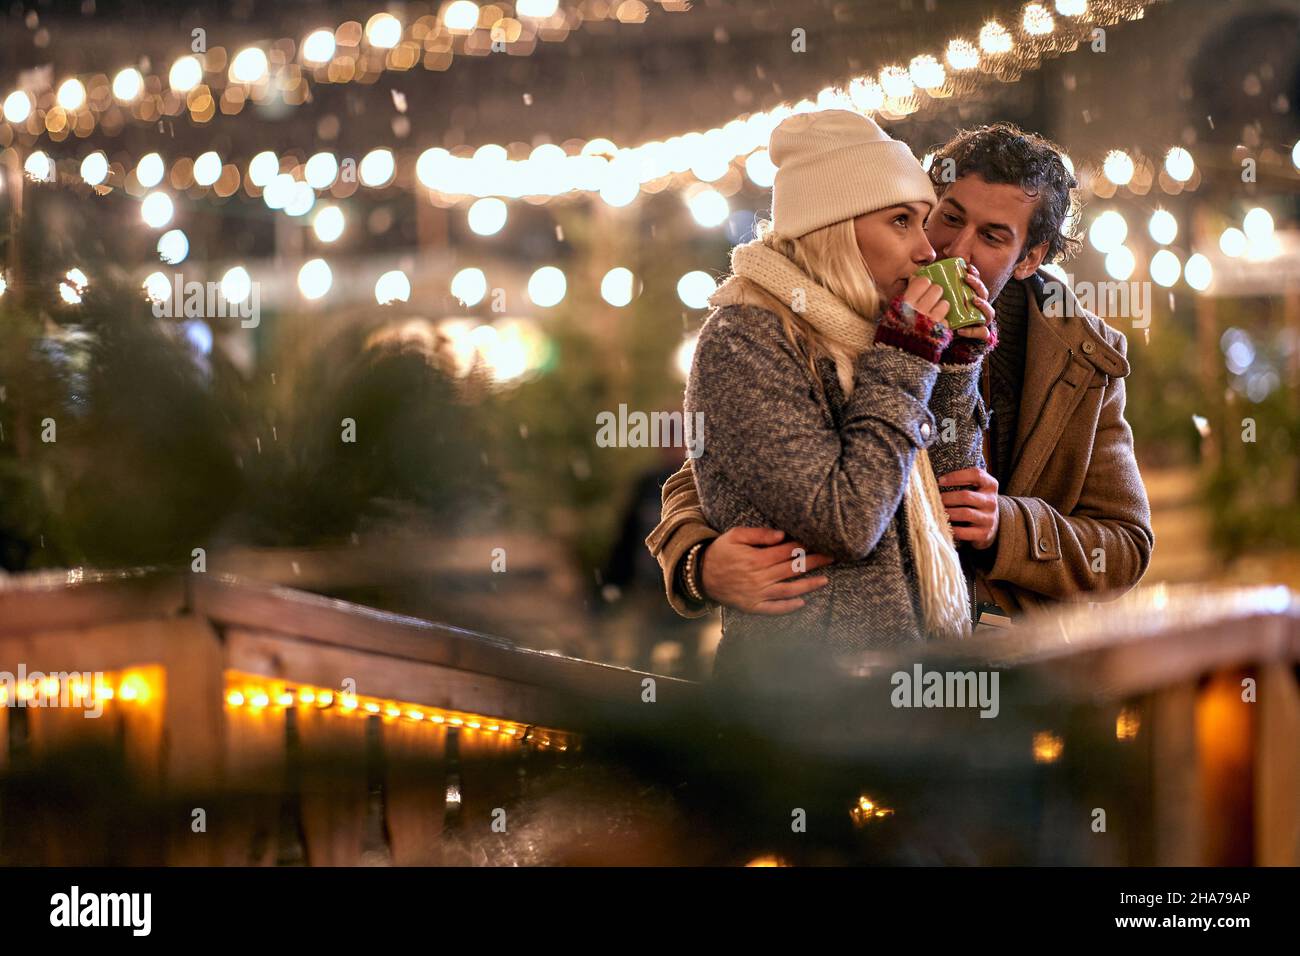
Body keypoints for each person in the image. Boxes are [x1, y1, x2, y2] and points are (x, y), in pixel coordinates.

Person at [647, 121, 1153, 636]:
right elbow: (721, 465)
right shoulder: (860, 313)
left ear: (1030, 258)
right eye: (946, 218)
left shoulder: (1084, 359)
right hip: (862, 668)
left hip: (1011, 656)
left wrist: (1010, 528)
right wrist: (697, 560)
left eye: (993, 237)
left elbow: (1126, 547)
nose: (952, 250)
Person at [680, 109, 997, 683]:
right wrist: (908, 360)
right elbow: (847, 521)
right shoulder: (745, 340)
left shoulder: (879, 334)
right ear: (834, 231)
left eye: (923, 223)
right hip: (806, 708)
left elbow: (952, 512)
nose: (928, 250)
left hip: (911, 686)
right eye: (901, 221)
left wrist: (952, 369)